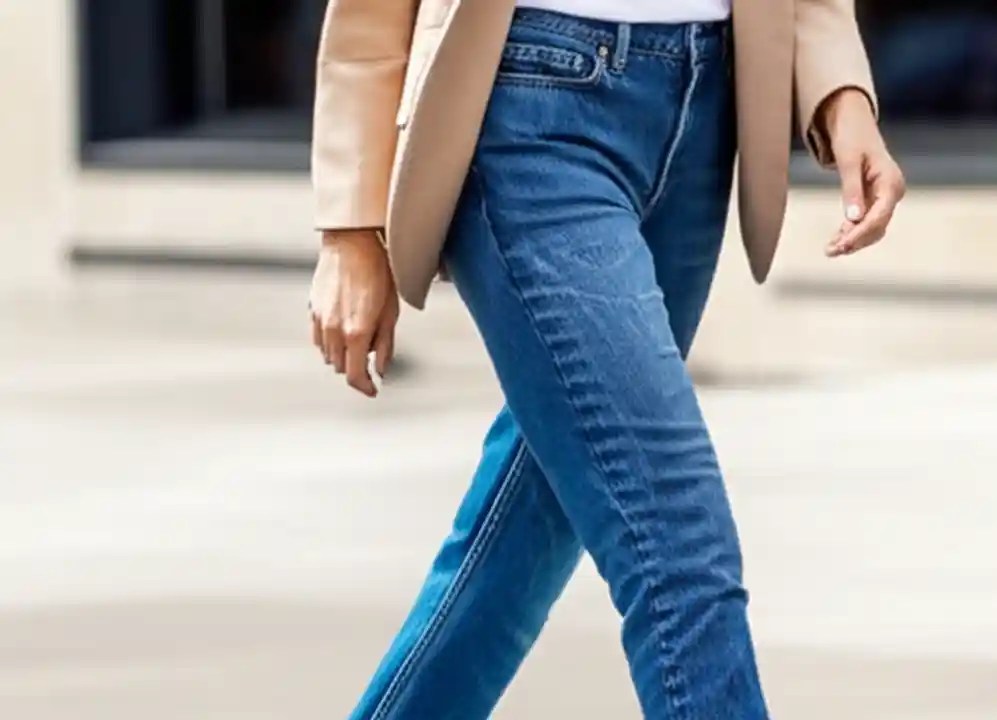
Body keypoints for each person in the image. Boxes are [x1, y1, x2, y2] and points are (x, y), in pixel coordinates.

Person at [307, 0, 905, 717]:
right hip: (532, 102)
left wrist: (841, 92)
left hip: (705, 112)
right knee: (677, 538)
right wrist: (350, 223)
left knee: (517, 545)